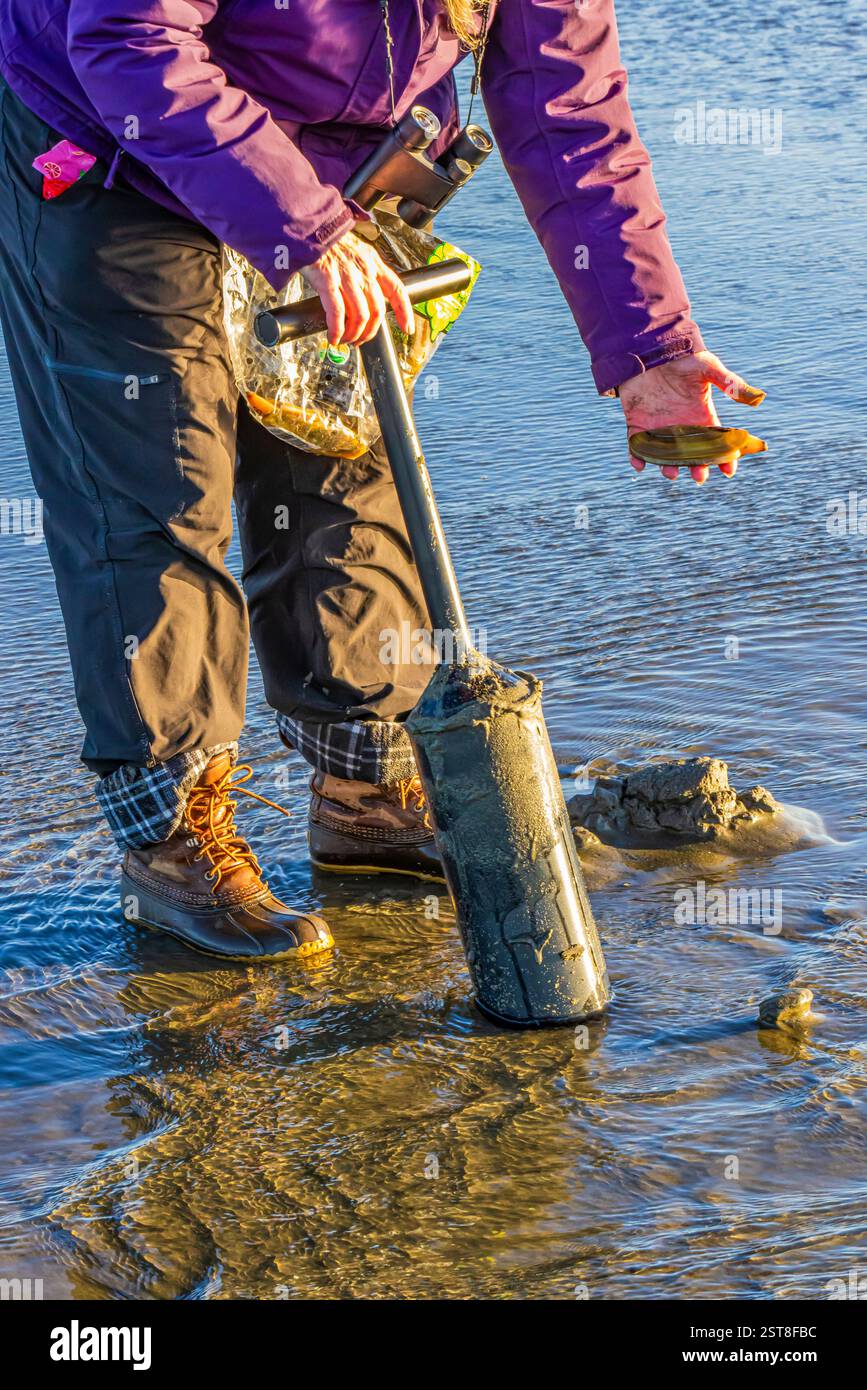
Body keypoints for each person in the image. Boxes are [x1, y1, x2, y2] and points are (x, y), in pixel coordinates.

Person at [0, 0, 761, 961]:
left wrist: (648, 346)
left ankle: (364, 796)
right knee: (157, 490)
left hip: (342, 167)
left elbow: (566, 113)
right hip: (118, 141)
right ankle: (175, 842)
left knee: (345, 464)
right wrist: (302, 231)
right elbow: (128, 42)